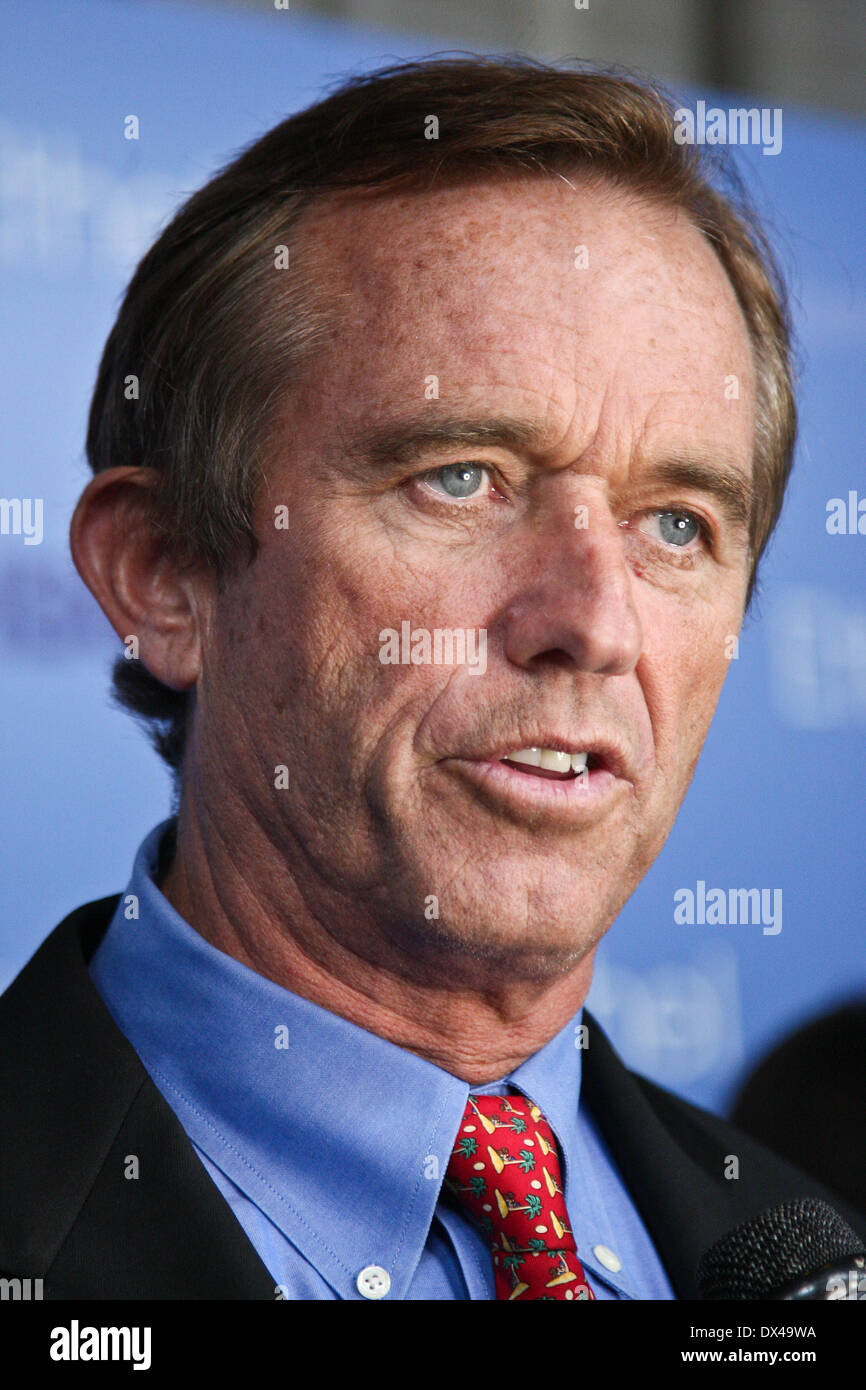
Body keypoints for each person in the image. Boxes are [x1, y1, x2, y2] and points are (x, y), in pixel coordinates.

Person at [1, 55, 861, 1301]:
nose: (592, 622)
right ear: (164, 576)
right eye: (459, 477)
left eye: (675, 523)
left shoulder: (808, 1259)